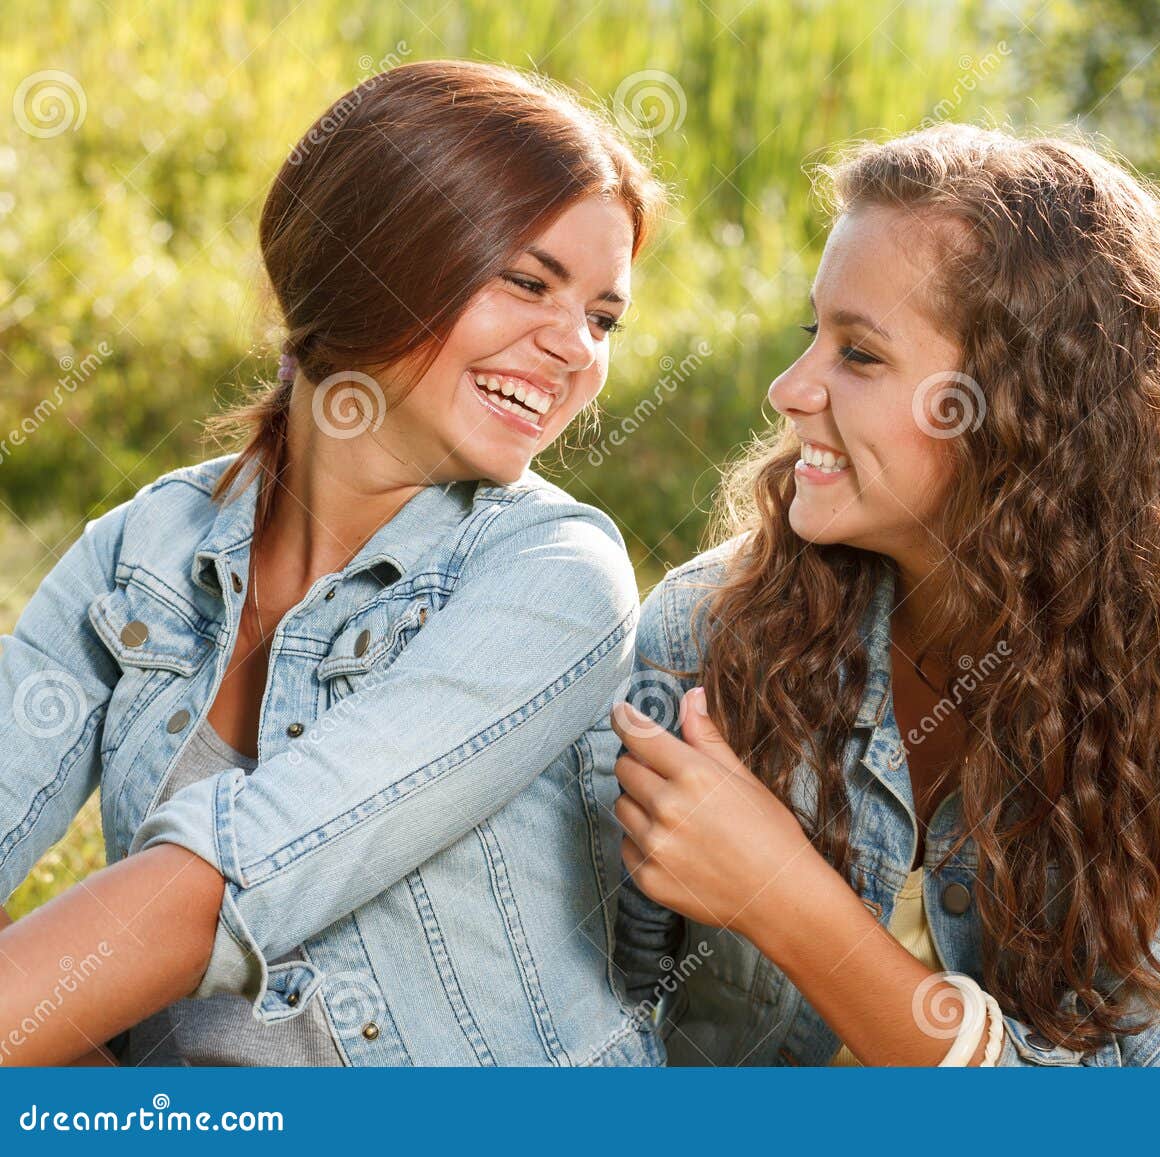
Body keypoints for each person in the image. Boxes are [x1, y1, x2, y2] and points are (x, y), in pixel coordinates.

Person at [609, 123, 1160, 1067]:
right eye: (815, 336)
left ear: (1021, 408)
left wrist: (783, 897)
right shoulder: (709, 627)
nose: (790, 388)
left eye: (860, 355)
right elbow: (605, 998)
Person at [0, 59, 666, 1067]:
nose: (576, 347)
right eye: (527, 283)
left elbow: (228, 883)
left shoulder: (555, 574)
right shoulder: (147, 550)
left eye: (602, 317)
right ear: (373, 261)